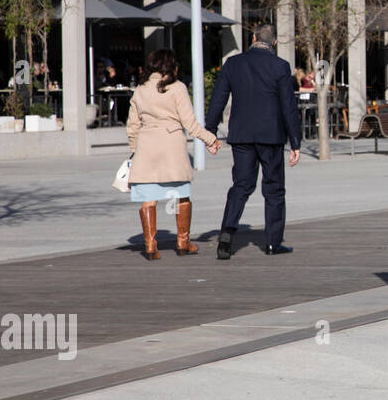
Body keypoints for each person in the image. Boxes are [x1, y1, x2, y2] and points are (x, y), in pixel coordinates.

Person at [204, 24, 302, 259]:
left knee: (241, 186)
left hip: (242, 135)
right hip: (271, 135)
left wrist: (210, 131)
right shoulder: (280, 66)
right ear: (274, 43)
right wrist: (295, 142)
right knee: (274, 189)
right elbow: (288, 107)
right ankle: (272, 243)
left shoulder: (233, 64)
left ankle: (226, 238)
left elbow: (218, 98)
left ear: (253, 38)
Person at [125, 48, 221, 261]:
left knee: (148, 198)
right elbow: (189, 123)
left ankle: (150, 245)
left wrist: (134, 150)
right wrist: (210, 139)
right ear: (171, 66)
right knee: (181, 194)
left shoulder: (140, 89)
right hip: (172, 147)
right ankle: (182, 241)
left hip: (146, 147)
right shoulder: (177, 88)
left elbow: (132, 125)